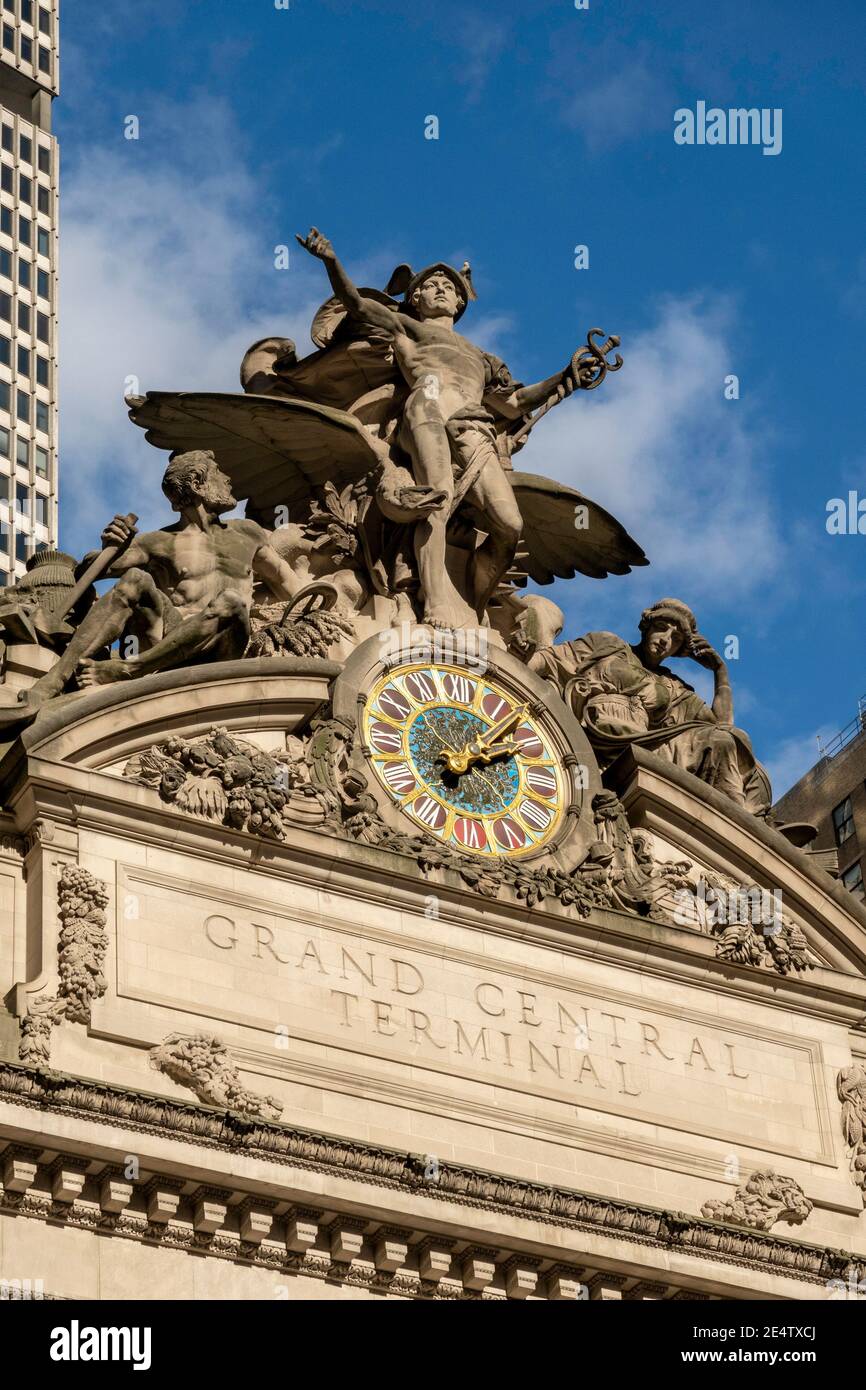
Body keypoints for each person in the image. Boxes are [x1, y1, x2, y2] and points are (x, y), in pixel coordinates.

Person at [296, 227, 579, 628]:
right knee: (437, 500)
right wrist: (330, 260)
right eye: (432, 285)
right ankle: (434, 602)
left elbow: (513, 403)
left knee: (509, 524)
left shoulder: (482, 357)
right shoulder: (406, 328)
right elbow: (356, 305)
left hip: (473, 427)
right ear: (416, 298)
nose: (442, 289)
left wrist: (565, 375)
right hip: (426, 409)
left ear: (461, 301)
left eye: (449, 285)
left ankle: (472, 605)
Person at [25, 450, 305, 705]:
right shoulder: (158, 542)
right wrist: (111, 545)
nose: (229, 479)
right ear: (198, 483)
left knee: (231, 602)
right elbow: (90, 571)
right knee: (136, 577)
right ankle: (52, 681)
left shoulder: (248, 532)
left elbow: (288, 584)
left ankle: (127, 669)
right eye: (220, 472)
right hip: (169, 642)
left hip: (223, 645)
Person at [530, 597, 771, 815]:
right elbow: (551, 659)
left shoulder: (673, 686)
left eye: (676, 640)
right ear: (647, 626)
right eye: (661, 628)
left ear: (679, 650)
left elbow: (722, 728)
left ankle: (740, 823)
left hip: (647, 748)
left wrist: (721, 673)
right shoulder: (607, 644)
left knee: (731, 741)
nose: (665, 640)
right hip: (598, 733)